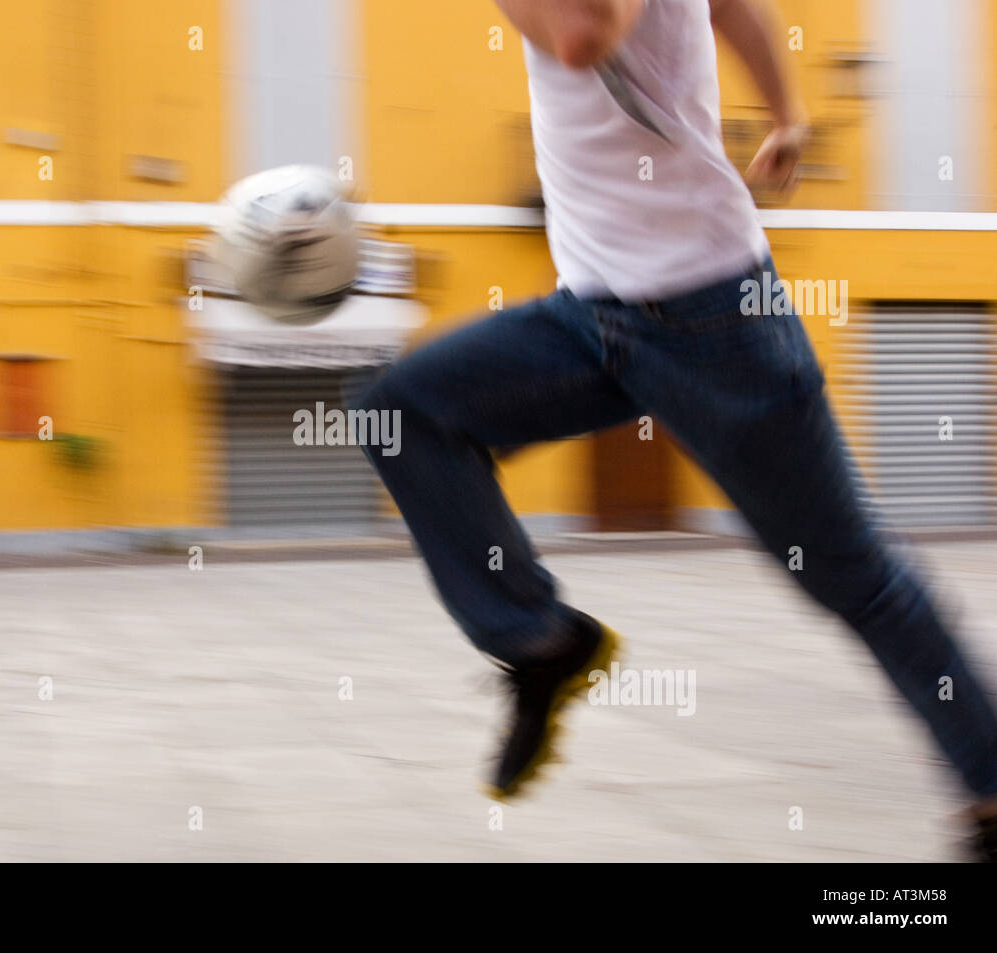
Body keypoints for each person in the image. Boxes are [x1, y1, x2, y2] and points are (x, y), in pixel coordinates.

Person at [351, 0, 997, 860]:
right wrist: (790, 116)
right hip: (590, 315)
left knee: (855, 577)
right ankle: (540, 641)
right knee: (402, 412)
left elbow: (588, 35)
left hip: (716, 325)